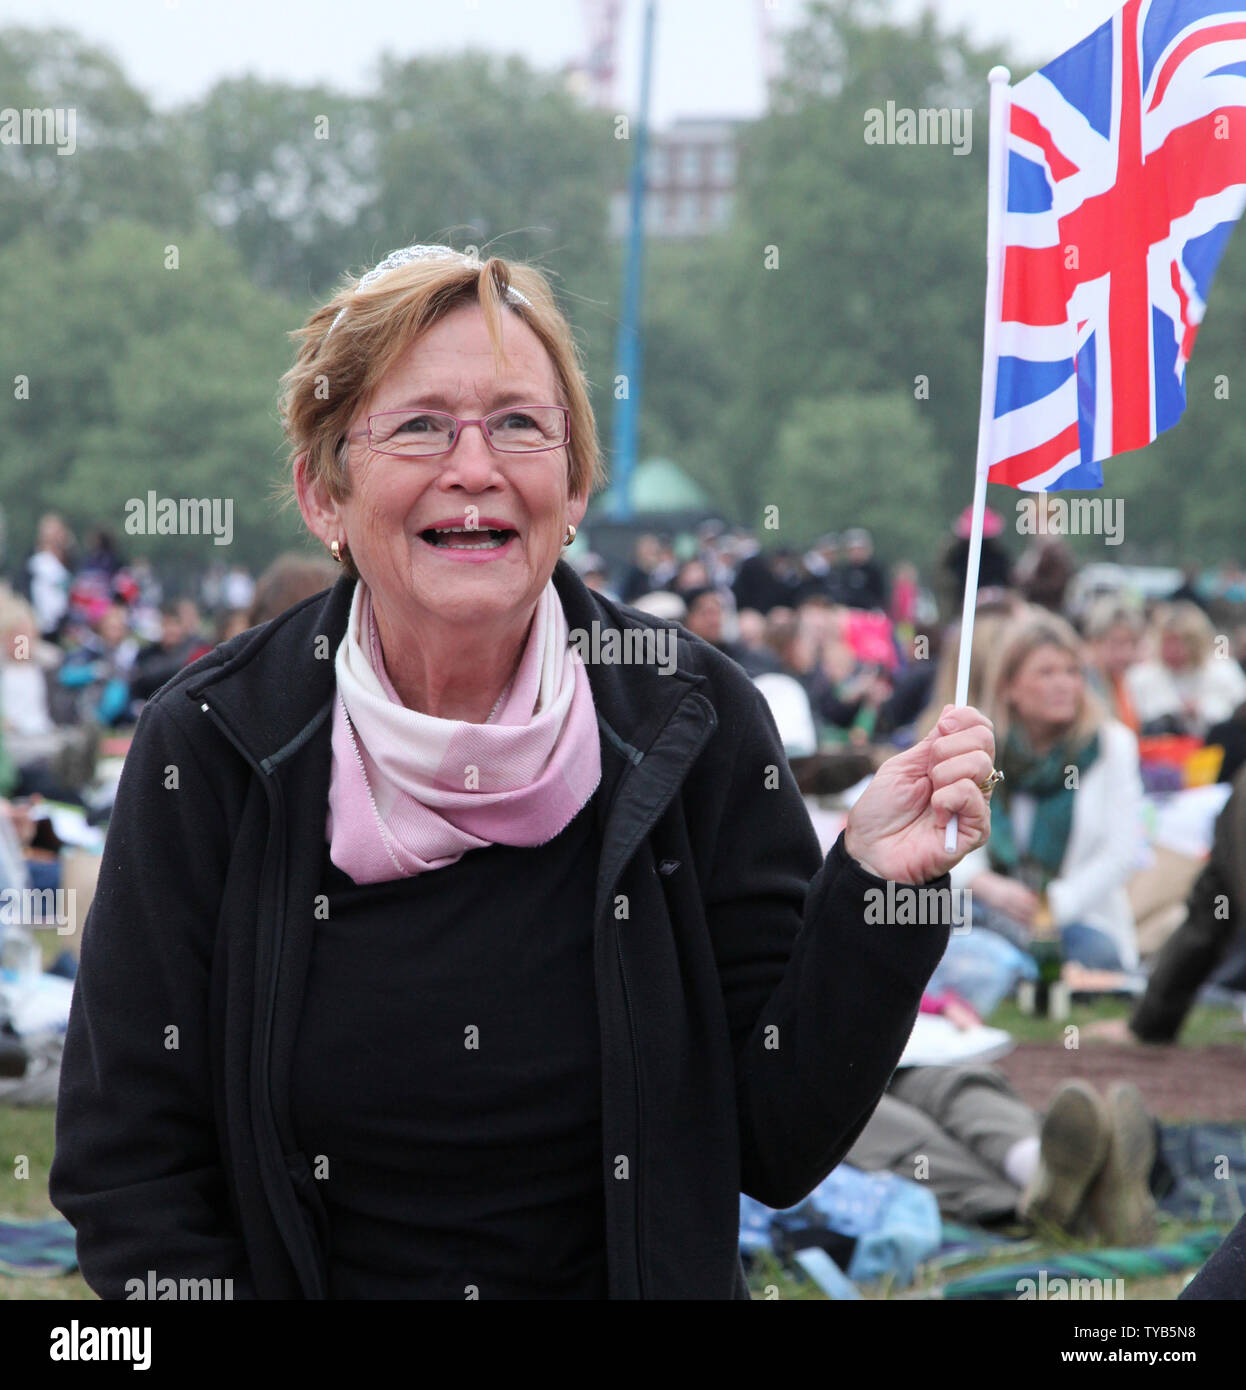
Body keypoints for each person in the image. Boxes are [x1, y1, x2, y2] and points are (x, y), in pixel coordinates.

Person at [50, 243, 997, 1302]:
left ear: (575, 483)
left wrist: (874, 891)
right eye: (418, 425)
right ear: (325, 494)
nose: (474, 466)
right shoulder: (217, 741)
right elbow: (128, 1162)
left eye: (516, 423)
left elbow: (773, 1141)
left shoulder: (693, 719)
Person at [952, 611, 1145, 972]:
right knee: (923, 915)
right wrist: (987, 885)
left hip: (1075, 918)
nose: (1064, 685)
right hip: (991, 908)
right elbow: (955, 839)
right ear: (1009, 687)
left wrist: (1050, 905)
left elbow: (1121, 853)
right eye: (1046, 672)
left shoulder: (1110, 746)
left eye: (1072, 672)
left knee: (1095, 952)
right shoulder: (984, 750)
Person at [1126, 600, 1246, 739]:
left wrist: (1203, 710)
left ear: (1196, 643)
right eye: (1167, 642)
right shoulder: (1142, 676)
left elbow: (1239, 711)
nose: (1171, 650)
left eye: (1178, 643)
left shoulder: (1223, 671)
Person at [1082, 597, 1144, 733]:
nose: (1126, 653)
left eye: (1132, 643)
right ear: (1095, 642)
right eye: (1117, 643)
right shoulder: (1086, 684)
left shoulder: (1122, 681)